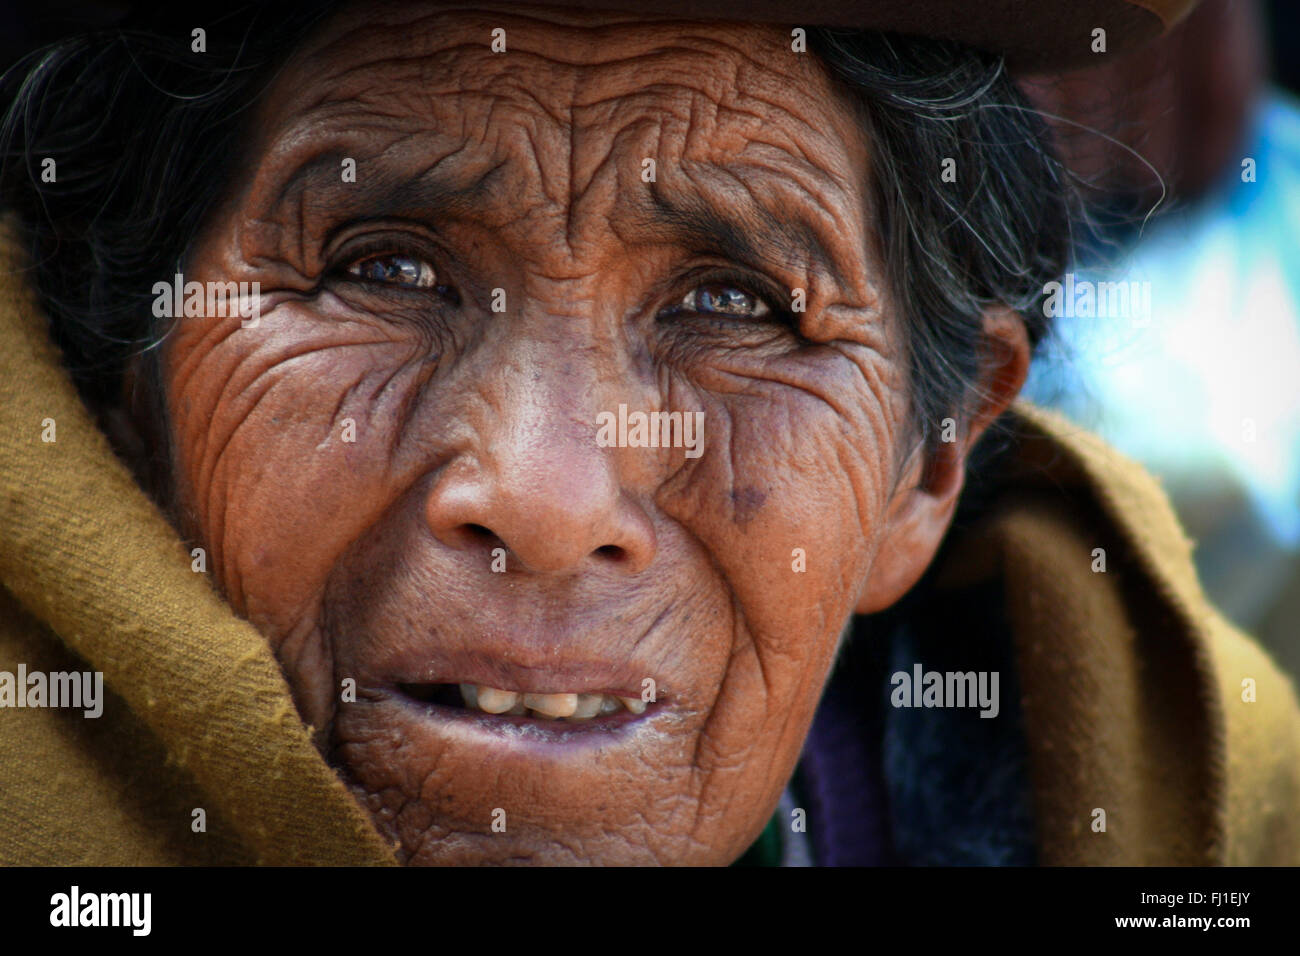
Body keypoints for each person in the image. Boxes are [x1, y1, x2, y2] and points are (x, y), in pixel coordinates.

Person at [1, 0, 1296, 866]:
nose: (548, 502)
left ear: (932, 463)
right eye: (383, 271)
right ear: (129, 365)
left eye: (734, 305)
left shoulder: (1195, 815)